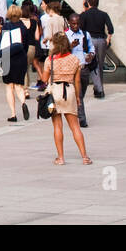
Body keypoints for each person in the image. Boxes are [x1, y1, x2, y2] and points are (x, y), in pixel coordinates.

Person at [41, 33, 92, 165]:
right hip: (69, 91)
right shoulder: (74, 59)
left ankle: (61, 157)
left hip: (55, 93)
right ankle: (85, 156)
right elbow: (77, 81)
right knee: (75, 127)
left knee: (57, 126)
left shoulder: (50, 60)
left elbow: (44, 79)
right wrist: (78, 97)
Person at [79, 0, 114, 98]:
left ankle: (99, 89)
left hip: (90, 41)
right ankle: (99, 87)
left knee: (93, 65)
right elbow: (111, 28)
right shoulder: (104, 14)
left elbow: (81, 29)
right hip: (102, 41)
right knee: (99, 64)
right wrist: (108, 38)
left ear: (88, 3)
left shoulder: (84, 15)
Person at [0, 5, 29, 121]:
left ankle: (13, 114)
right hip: (20, 58)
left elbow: (0, 44)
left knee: (9, 87)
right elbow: (25, 46)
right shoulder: (23, 27)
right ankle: (23, 103)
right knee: (19, 86)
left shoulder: (6, 26)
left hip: (7, 59)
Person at [64, 13, 92, 127]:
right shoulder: (65, 35)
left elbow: (91, 47)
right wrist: (70, 46)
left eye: (77, 24)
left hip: (83, 67)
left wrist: (91, 54)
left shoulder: (85, 34)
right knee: (78, 94)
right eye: (73, 24)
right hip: (72, 69)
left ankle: (77, 107)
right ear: (69, 23)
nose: (75, 26)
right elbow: (61, 51)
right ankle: (82, 119)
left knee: (82, 92)